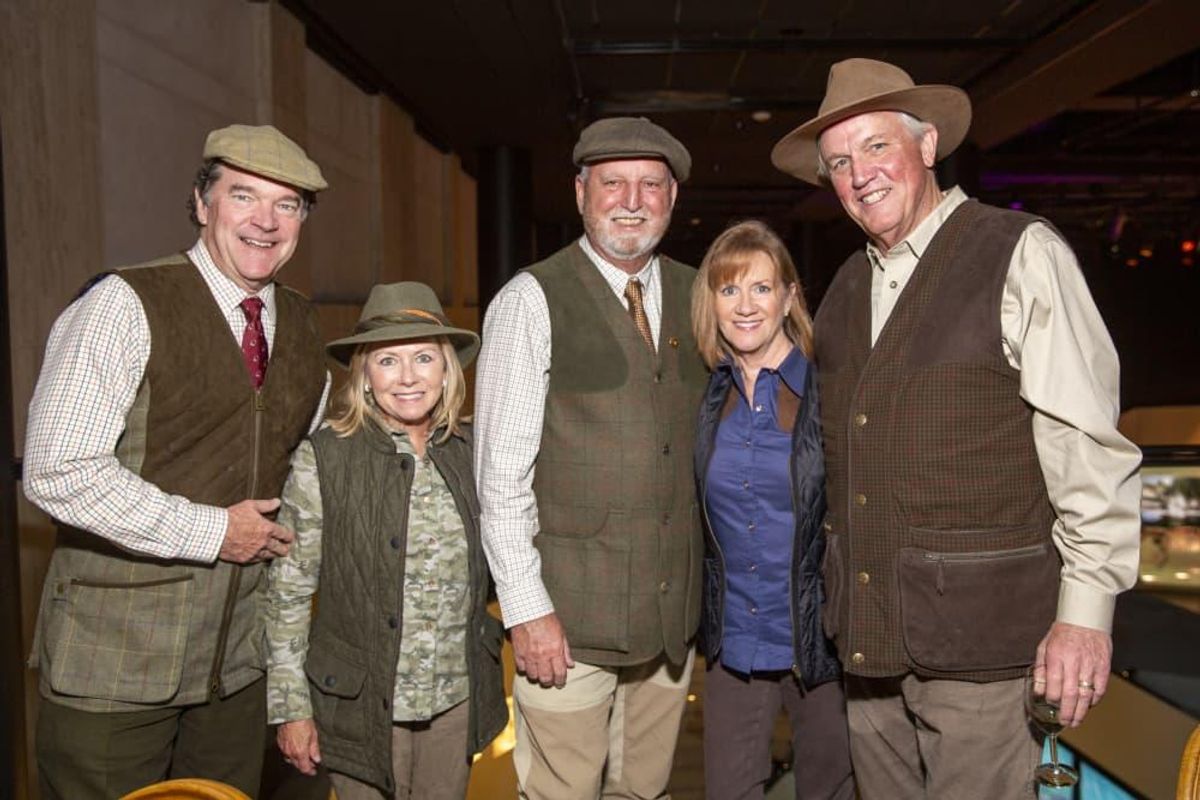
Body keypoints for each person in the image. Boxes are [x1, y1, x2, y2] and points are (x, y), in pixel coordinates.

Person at [769, 58, 1142, 798]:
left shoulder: (1019, 253)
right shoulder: (844, 288)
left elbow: (1088, 450)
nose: (859, 174)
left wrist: (1084, 617)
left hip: (987, 647)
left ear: (928, 144)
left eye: (877, 146)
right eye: (840, 162)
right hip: (870, 649)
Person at [23, 124, 331, 798]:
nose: (264, 221)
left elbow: (307, 467)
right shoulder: (123, 304)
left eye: (287, 205)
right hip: (115, 668)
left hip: (235, 672)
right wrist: (215, 532)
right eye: (242, 195)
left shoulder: (306, 327)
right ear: (201, 203)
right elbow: (58, 469)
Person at [474, 116, 708, 799]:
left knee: (644, 791)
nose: (632, 200)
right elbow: (500, 477)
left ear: (673, 200)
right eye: (613, 183)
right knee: (560, 793)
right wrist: (527, 611)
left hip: (669, 626)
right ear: (581, 193)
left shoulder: (702, 296)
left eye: (651, 185)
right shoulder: (530, 300)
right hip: (567, 624)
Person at [265, 281, 507, 800]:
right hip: (357, 700)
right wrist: (291, 708)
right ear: (365, 377)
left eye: (423, 358)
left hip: (454, 697)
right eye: (387, 361)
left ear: (447, 371)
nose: (408, 378)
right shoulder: (326, 457)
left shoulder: (470, 451)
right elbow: (288, 591)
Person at [691, 220, 854, 800]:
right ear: (711, 301)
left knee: (830, 791)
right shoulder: (708, 394)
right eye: (729, 289)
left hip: (823, 640)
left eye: (761, 288)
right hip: (735, 640)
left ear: (788, 297)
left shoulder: (830, 389)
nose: (744, 305)